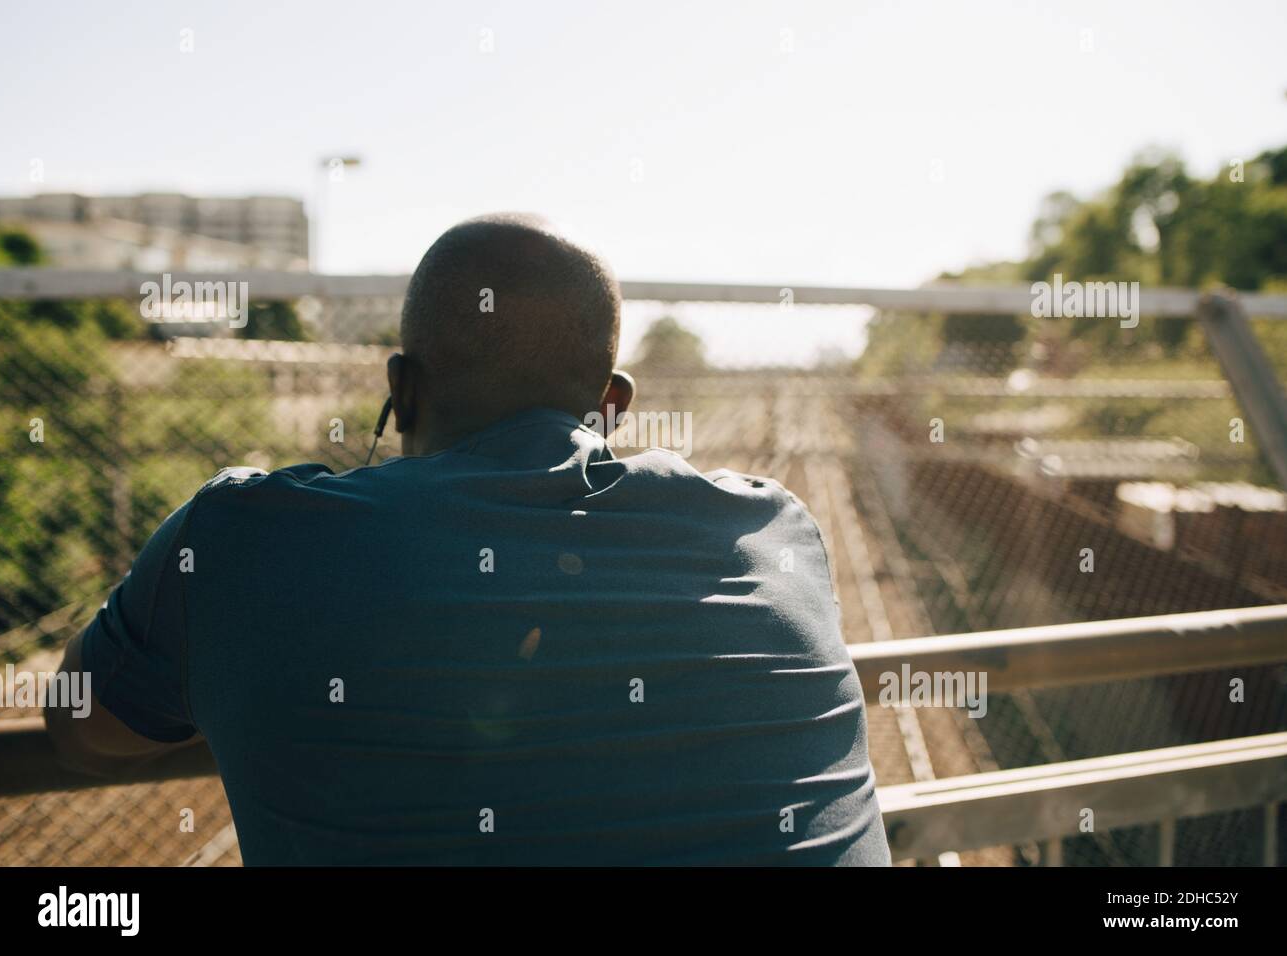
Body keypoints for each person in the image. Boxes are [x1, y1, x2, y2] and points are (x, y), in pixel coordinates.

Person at [45, 213, 891, 865]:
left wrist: (240, 672)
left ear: (400, 389)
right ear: (613, 405)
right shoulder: (772, 530)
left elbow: (80, 725)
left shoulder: (237, 540)